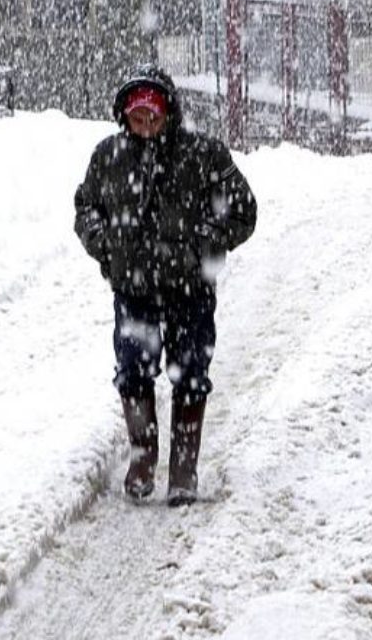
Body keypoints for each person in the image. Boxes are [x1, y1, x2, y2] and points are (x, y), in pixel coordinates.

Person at [73, 64, 257, 504]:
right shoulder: (108, 157)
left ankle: (183, 471)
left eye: (154, 117)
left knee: (191, 375)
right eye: (138, 119)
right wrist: (105, 245)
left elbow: (244, 210)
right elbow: (86, 208)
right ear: (125, 117)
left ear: (169, 114)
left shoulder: (203, 155)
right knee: (134, 372)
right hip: (133, 290)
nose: (147, 127)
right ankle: (143, 457)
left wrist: (209, 242)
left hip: (190, 290)